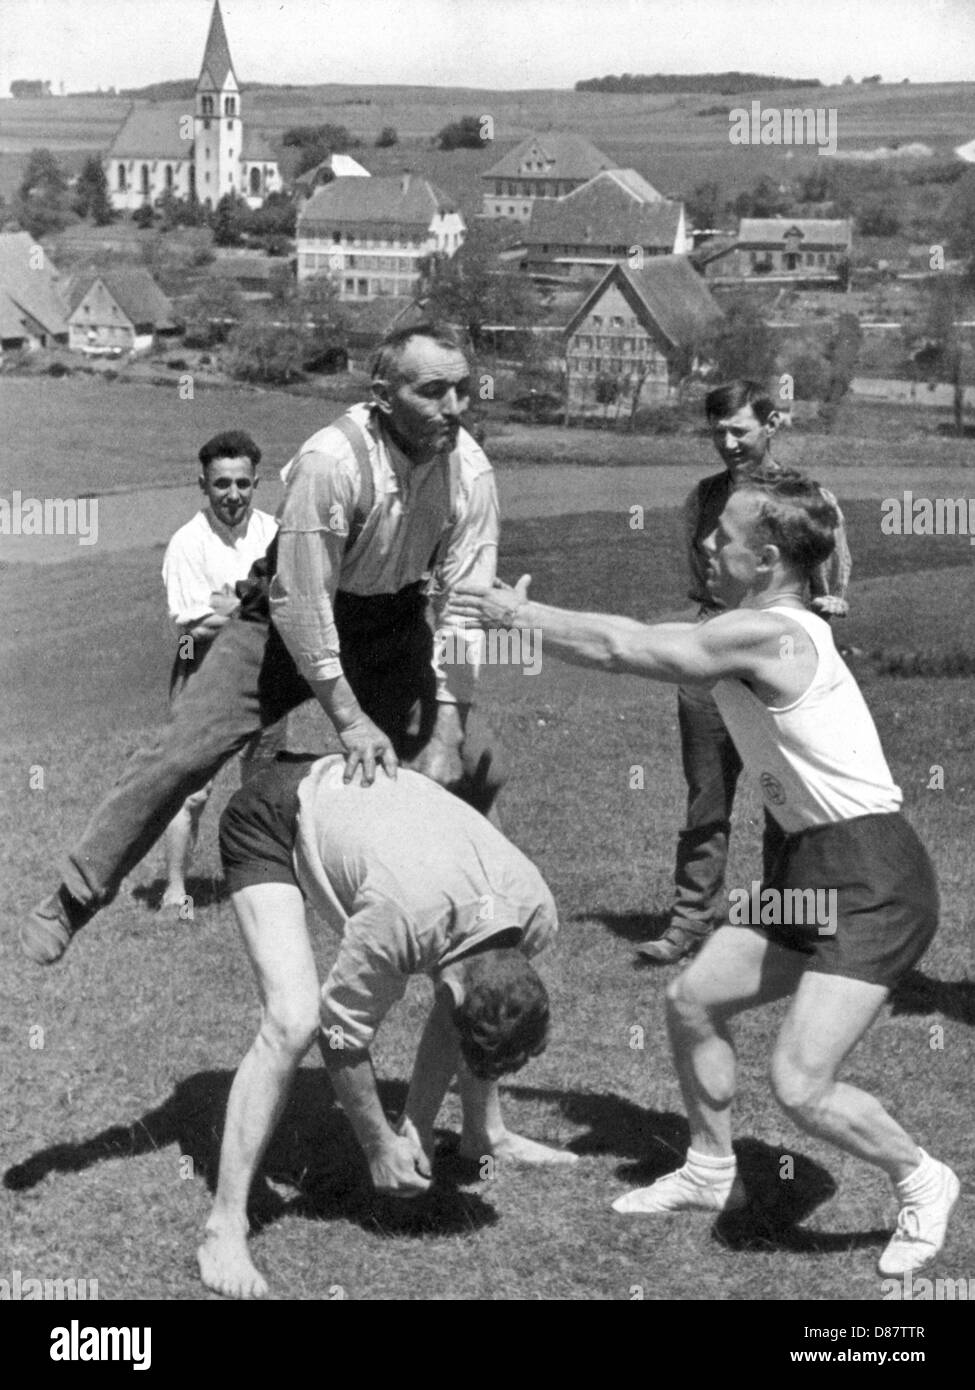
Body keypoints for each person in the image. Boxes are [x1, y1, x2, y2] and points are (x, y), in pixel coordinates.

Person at [449, 467, 957, 1276]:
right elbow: (632, 641)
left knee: (799, 1081)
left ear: (766, 561)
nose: (708, 546)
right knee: (691, 1000)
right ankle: (713, 1172)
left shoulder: (773, 632)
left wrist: (517, 613)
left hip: (869, 876)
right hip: (807, 862)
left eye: (724, 537)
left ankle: (922, 1179)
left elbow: (626, 646)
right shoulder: (756, 623)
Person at [23, 322, 501, 965]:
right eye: (434, 391)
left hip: (391, 623)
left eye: (464, 390)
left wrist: (446, 730)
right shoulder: (331, 462)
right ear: (383, 395)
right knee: (183, 752)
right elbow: (304, 607)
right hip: (284, 618)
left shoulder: (471, 470)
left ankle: (485, 932)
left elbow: (465, 606)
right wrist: (352, 722)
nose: (455, 408)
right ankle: (74, 895)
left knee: (473, 761)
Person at [199, 754, 576, 1299]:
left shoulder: (535, 911)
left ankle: (483, 1135)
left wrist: (417, 1129)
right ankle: (223, 1229)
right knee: (294, 1019)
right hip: (274, 813)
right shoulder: (403, 917)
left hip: (363, 806)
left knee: (476, 1003)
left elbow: (462, 1003)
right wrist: (379, 1144)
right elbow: (340, 1034)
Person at [641, 380, 852, 964]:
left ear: (772, 424)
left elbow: (831, 587)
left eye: (739, 429)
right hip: (712, 651)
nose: (727, 442)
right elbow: (697, 577)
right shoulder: (702, 498)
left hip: (777, 661)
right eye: (717, 431)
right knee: (706, 797)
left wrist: (817, 615)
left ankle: (782, 926)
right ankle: (689, 922)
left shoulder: (808, 497)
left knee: (785, 800)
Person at [160, 431, 281, 910]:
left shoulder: (274, 533)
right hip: (203, 674)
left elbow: (291, 601)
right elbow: (193, 623)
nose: (233, 495)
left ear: (256, 482)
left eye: (243, 484)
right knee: (191, 789)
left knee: (262, 785)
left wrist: (229, 604)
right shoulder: (187, 542)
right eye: (221, 484)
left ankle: (259, 888)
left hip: (264, 673)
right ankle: (174, 891)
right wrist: (253, 605)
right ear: (203, 486)